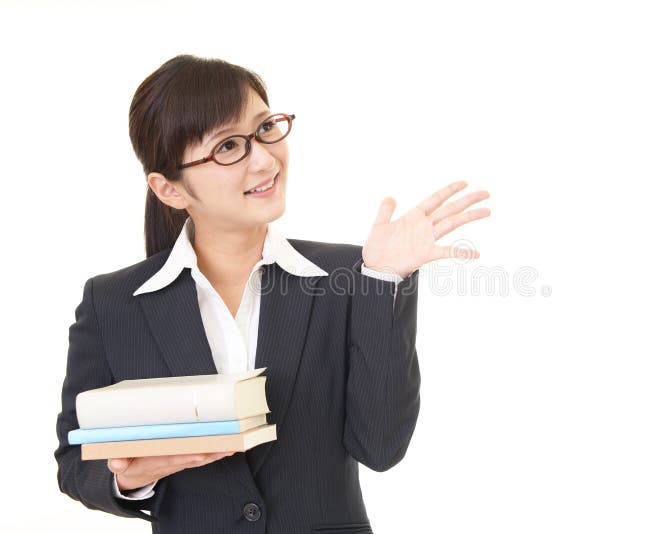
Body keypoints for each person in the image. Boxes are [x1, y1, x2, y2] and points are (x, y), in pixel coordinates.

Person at [54, 54, 490, 534]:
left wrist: (383, 280)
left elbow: (381, 448)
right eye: (228, 147)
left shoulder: (349, 274)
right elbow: (75, 464)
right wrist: (136, 479)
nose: (264, 159)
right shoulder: (114, 302)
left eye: (265, 129)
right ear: (170, 189)